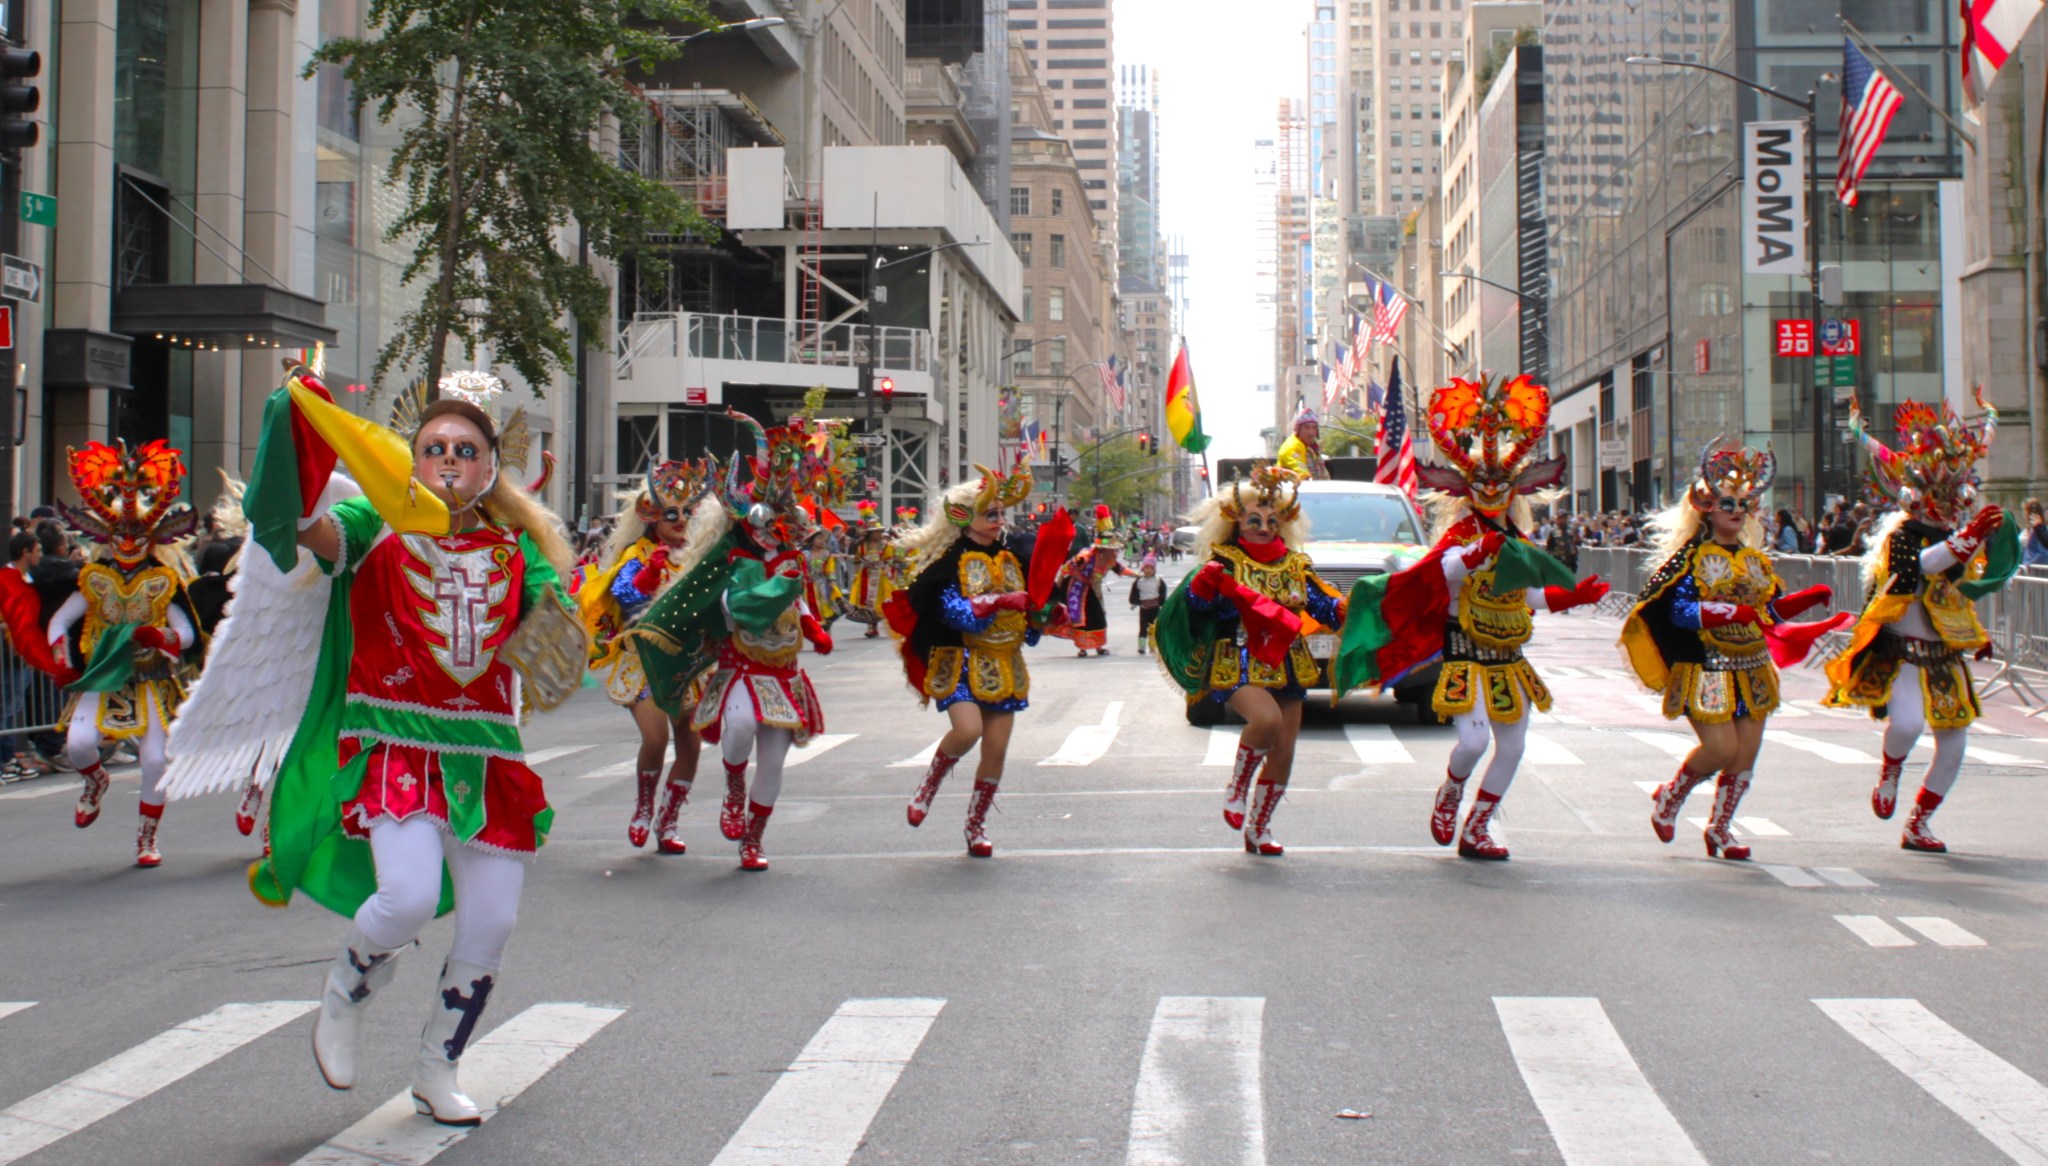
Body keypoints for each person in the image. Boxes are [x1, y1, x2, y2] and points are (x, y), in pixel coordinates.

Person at [163, 363, 586, 1125]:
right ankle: (350, 984)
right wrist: (294, 429)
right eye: (434, 447)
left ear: (492, 467)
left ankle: (436, 1069)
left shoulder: (513, 547)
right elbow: (299, 530)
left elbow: (554, 656)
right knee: (409, 896)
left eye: (466, 449)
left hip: (487, 759)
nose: (449, 460)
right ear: (410, 458)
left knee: (492, 924)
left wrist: (560, 616)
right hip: (396, 747)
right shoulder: (372, 526)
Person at [1338, 373, 1609, 860]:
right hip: (1466, 653)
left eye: (1501, 485)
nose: (1491, 491)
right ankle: (1450, 791)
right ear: (1465, 490)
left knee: (1513, 748)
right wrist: (1475, 551)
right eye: (1482, 485)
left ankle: (1479, 825)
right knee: (1471, 742)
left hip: (1509, 657)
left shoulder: (1521, 544)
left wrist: (1574, 597)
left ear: (1516, 490)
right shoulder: (1460, 537)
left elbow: (1530, 598)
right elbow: (1440, 575)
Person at [631, 410, 842, 873]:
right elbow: (745, 608)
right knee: (741, 727)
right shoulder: (732, 564)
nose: (779, 533)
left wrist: (813, 626)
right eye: (772, 524)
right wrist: (783, 584)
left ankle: (753, 838)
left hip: (784, 671)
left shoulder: (791, 562)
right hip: (743, 668)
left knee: (773, 763)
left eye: (786, 525)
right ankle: (731, 787)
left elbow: (798, 603)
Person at [1621, 445, 1849, 859]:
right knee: (1720, 749)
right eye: (1728, 503)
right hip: (1707, 666)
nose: (1737, 511)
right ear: (1706, 507)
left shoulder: (1754, 559)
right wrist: (1728, 611)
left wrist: (1808, 601)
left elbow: (1768, 612)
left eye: (1744, 504)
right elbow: (1679, 612)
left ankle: (1720, 829)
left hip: (1752, 667)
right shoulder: (1689, 559)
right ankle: (1670, 797)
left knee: (1745, 754)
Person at [1826, 396, 2013, 853]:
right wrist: (1967, 540)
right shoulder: (1902, 537)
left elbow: (1953, 591)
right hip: (1902, 651)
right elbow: (1925, 568)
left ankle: (1919, 822)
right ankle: (1890, 770)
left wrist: (1977, 634)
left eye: (1956, 496)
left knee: (1954, 746)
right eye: (1941, 495)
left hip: (1944, 656)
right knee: (1907, 725)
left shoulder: (1956, 540)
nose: (1949, 505)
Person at [1153, 465, 1345, 856]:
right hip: (1239, 658)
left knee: (1285, 752)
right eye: (1254, 519)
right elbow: (1199, 608)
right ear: (1236, 522)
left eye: (1272, 520)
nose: (1263, 526)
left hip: (1288, 661)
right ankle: (1238, 786)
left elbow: (1322, 605)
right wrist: (1205, 590)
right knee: (1266, 720)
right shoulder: (1223, 561)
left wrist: (1344, 608)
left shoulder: (1295, 565)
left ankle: (1259, 827)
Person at [889, 456, 1067, 857]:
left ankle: (976, 824)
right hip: (962, 660)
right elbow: (958, 615)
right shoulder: (949, 565)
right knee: (968, 731)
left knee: (996, 749)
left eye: (1001, 513)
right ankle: (929, 785)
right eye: (990, 513)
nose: (999, 520)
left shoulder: (1013, 559)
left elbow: (1029, 625)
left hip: (1005, 664)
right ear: (964, 517)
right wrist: (1003, 599)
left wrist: (1045, 614)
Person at [45, 440, 201, 867]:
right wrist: (61, 661)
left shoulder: (162, 581)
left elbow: (188, 633)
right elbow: (59, 622)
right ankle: (95, 782)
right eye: (120, 535)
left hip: (150, 681)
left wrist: (161, 638)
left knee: (155, 760)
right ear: (106, 538)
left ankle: (147, 839)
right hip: (103, 675)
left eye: (137, 535)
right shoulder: (94, 579)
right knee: (78, 745)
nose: (128, 542)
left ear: (153, 540)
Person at [576, 459, 713, 855]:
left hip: (689, 661)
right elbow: (626, 594)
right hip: (646, 660)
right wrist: (649, 576)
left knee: (689, 744)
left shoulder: (701, 556)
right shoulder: (639, 553)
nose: (681, 520)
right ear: (652, 517)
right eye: (673, 512)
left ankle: (668, 821)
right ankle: (643, 808)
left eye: (689, 512)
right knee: (655, 738)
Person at [1050, 505, 1137, 656]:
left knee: (1099, 617)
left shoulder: (1110, 561)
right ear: (1102, 549)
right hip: (1078, 588)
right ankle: (1082, 647)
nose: (1113, 552)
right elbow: (1065, 569)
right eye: (1110, 549)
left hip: (1094, 590)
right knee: (1080, 618)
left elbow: (1122, 570)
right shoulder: (1086, 558)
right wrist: (1058, 586)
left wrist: (1139, 575)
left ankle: (1099, 646)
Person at [842, 506, 893, 639]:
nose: (879, 534)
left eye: (880, 532)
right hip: (866, 575)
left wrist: (887, 571)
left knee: (881, 600)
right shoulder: (862, 546)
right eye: (876, 532)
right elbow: (858, 561)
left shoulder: (886, 545)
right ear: (870, 533)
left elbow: (889, 560)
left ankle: (880, 625)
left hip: (880, 575)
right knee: (866, 600)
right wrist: (855, 575)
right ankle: (871, 626)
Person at [1275, 402, 1332, 480]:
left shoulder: (1313, 447)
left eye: (1314, 428)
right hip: (1296, 491)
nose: (1311, 432)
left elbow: (1323, 474)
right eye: (1307, 427)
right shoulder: (1292, 446)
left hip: (1318, 490)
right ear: (1298, 429)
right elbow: (1301, 473)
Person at [1129, 554, 1167, 654]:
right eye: (1147, 568)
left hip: (1155, 608)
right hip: (1144, 608)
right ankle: (1141, 647)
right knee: (1143, 627)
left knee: (1154, 628)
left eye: (1151, 568)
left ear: (1154, 570)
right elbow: (1135, 592)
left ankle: (1152, 646)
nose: (1149, 570)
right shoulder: (1139, 581)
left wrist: (1163, 604)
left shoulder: (1158, 581)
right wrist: (1134, 602)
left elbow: (1162, 592)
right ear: (1143, 568)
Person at [2023, 498, 2048, 568]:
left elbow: (2043, 551)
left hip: (2036, 567)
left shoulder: (2040, 529)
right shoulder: (2030, 529)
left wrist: (2028, 563)